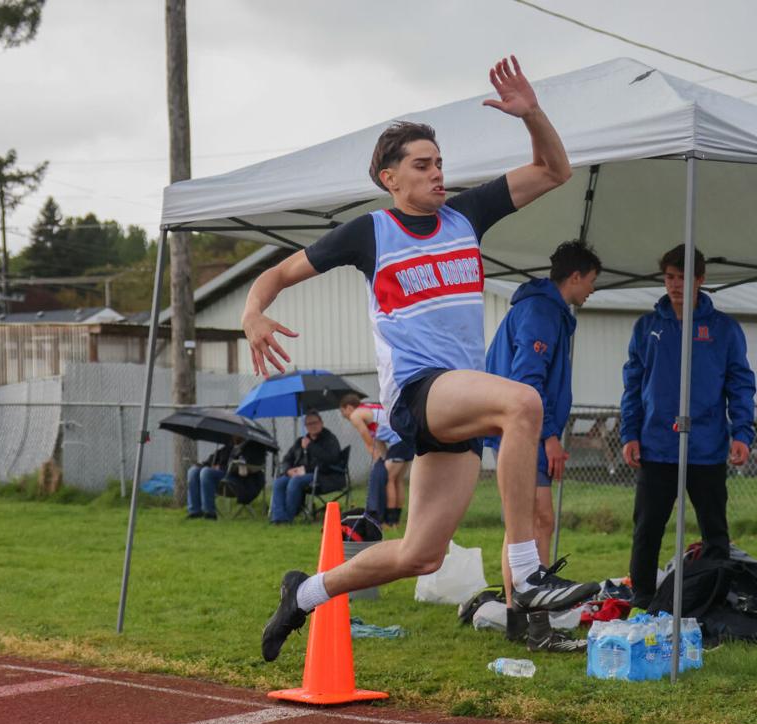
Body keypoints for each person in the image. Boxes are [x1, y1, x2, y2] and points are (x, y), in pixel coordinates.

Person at [242, 57, 597, 662]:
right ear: (389, 177)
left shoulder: (467, 215)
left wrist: (532, 113)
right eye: (422, 165)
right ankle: (527, 572)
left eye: (440, 163)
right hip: (416, 391)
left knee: (420, 554)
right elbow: (276, 272)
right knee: (521, 402)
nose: (438, 174)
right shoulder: (368, 233)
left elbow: (555, 169)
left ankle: (304, 593)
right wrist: (253, 313)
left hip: (454, 399)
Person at [620, 244, 757, 611]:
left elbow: (740, 383)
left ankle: (713, 597)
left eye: (683, 278)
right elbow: (632, 385)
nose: (675, 285)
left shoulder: (723, 329)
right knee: (647, 528)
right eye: (669, 277)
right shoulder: (647, 328)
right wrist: (629, 434)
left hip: (707, 447)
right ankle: (643, 599)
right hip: (656, 446)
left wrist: (743, 433)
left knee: (715, 530)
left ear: (700, 280)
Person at [483, 239, 601, 581]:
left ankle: (533, 600)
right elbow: (526, 380)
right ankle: (525, 605)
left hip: (527, 427)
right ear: (575, 277)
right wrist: (549, 435)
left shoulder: (552, 313)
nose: (593, 289)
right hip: (524, 429)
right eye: (592, 280)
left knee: (538, 518)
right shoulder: (541, 312)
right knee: (532, 518)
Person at [339, 393, 412, 527]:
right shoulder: (369, 409)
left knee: (388, 479)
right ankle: (396, 521)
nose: (344, 416)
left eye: (343, 412)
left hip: (399, 442)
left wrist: (377, 462)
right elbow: (379, 442)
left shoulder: (356, 415)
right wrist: (382, 459)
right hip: (406, 439)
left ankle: (390, 522)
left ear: (348, 407)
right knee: (397, 480)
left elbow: (368, 440)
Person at [269, 411, 346, 524]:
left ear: (321, 423)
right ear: (305, 426)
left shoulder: (330, 439)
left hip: (323, 476)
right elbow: (287, 459)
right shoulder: (300, 441)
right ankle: (279, 518)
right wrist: (288, 470)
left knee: (295, 482)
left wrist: (310, 446)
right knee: (279, 482)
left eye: (315, 422)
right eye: (309, 424)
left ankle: (289, 517)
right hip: (298, 474)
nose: (312, 426)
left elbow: (331, 459)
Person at [185, 437, 238, 520]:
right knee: (193, 471)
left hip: (234, 479)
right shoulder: (227, 448)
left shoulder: (247, 450)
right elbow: (210, 461)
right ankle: (195, 512)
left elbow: (240, 467)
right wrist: (202, 465)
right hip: (217, 477)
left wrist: (220, 468)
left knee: (206, 472)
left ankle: (209, 512)